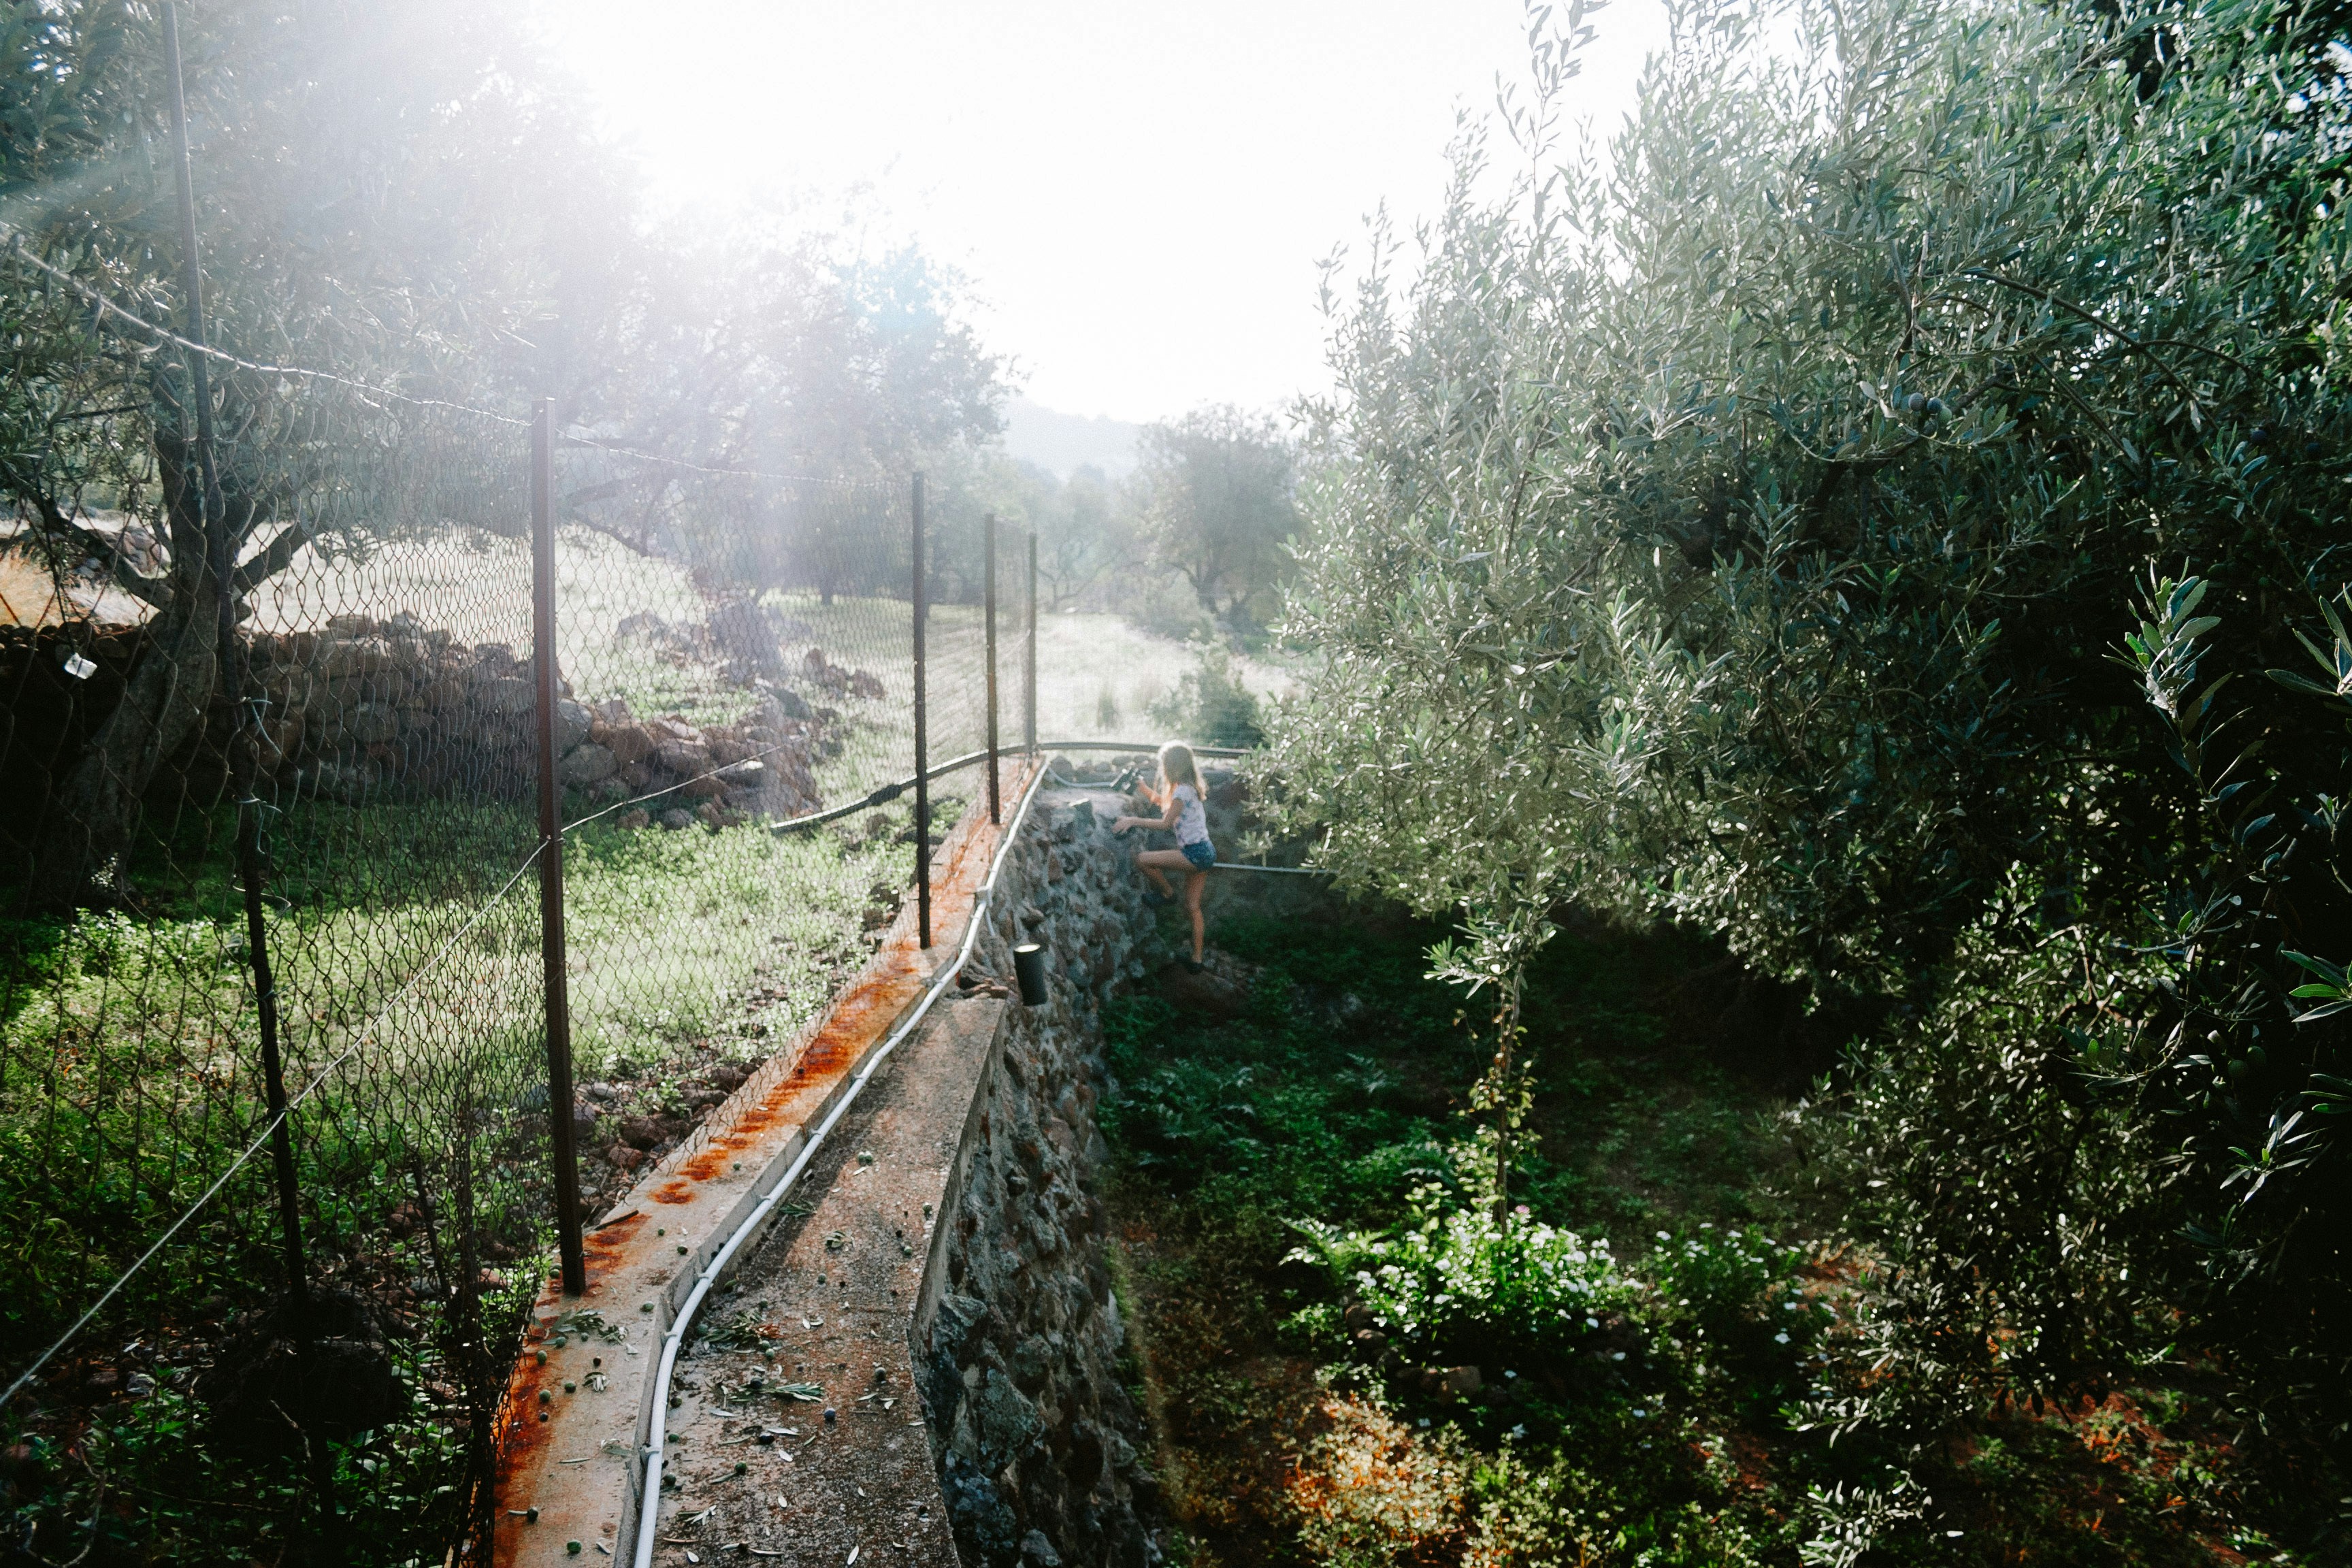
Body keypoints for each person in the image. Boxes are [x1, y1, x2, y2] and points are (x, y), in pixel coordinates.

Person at [1114, 741, 1215, 973]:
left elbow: (1164, 823)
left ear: (1171, 765)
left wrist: (1132, 820)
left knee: (1142, 859)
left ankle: (1167, 894)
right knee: (1193, 906)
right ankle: (1197, 960)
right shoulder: (1189, 787)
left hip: (1195, 853)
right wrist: (1142, 787)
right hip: (1206, 851)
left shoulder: (1182, 791)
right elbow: (1166, 805)